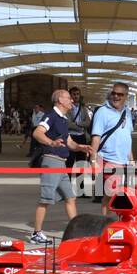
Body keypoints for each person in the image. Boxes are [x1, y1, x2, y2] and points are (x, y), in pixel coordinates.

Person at [31, 89, 91, 243]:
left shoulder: (63, 119)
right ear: (60, 100)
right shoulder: (51, 116)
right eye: (69, 98)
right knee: (45, 199)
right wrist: (51, 142)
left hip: (61, 164)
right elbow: (37, 133)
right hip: (52, 162)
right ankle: (36, 233)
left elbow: (69, 142)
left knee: (70, 197)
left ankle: (76, 231)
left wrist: (81, 147)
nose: (72, 100)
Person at [90, 83, 134, 210]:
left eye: (120, 94)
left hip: (123, 161)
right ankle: (106, 225)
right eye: (113, 93)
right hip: (108, 160)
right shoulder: (102, 112)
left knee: (120, 195)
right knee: (111, 194)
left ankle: (114, 223)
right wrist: (93, 161)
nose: (115, 96)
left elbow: (127, 137)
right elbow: (96, 137)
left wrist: (131, 159)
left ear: (126, 96)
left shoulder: (127, 112)